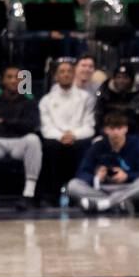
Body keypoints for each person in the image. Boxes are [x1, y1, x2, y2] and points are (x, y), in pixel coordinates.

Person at [0, 65, 41, 208]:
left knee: (33, 140)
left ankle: (28, 194)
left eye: (17, 78)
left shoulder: (29, 101)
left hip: (19, 144)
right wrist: (15, 126)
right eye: (9, 77)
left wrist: (4, 122)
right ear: (3, 81)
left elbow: (31, 126)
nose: (13, 81)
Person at [68, 109, 139, 213]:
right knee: (73, 185)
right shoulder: (98, 146)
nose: (115, 132)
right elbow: (82, 172)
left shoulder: (136, 145)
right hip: (103, 188)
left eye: (119, 128)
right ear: (106, 130)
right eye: (112, 128)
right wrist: (97, 177)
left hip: (127, 187)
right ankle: (118, 204)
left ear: (125, 129)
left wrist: (127, 176)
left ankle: (101, 204)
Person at [39, 58, 96, 204]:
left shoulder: (86, 98)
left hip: (78, 137)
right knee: (50, 146)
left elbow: (90, 125)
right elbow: (46, 127)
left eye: (69, 71)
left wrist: (74, 135)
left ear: (74, 74)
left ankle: (77, 194)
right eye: (62, 72)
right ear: (56, 76)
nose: (65, 75)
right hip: (55, 138)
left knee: (82, 146)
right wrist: (61, 136)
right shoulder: (46, 100)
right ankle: (51, 195)